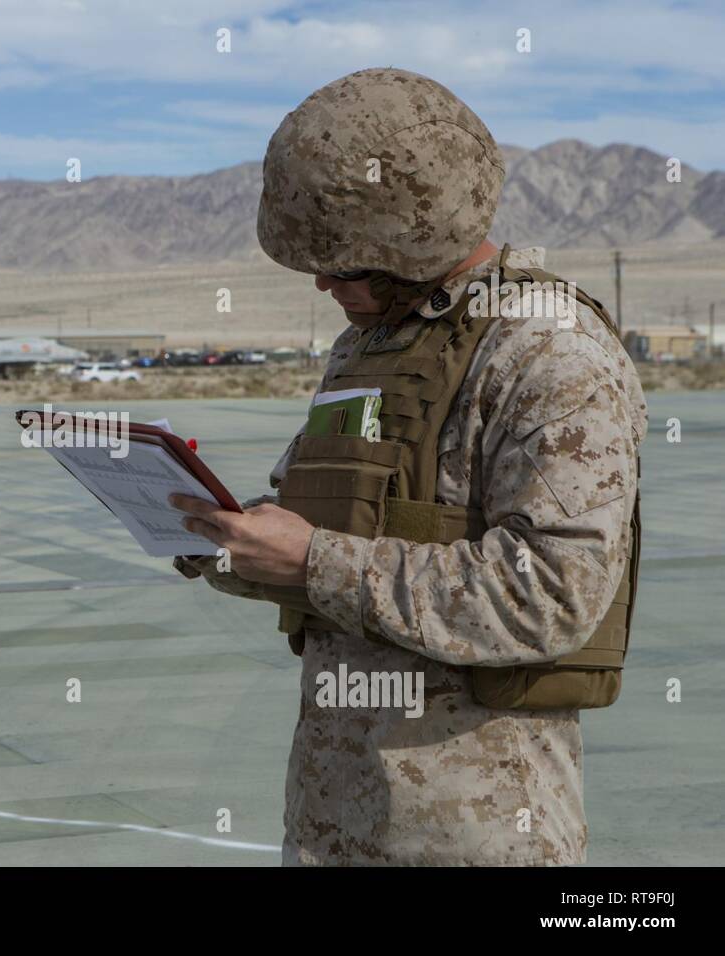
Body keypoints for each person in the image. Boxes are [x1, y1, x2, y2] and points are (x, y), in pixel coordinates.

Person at [171, 68, 647, 866]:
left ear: (413, 241)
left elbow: (553, 595)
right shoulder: (373, 344)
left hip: (475, 831)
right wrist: (221, 536)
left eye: (346, 266)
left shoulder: (548, 350)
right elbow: (316, 525)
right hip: (334, 819)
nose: (324, 284)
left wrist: (311, 561)